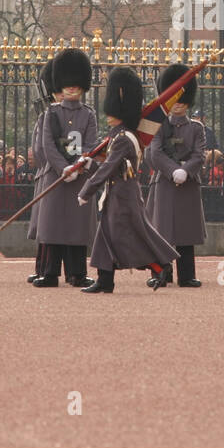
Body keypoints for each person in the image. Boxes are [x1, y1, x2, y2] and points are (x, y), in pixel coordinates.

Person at [77, 66, 178, 293]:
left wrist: (87, 191)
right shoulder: (117, 135)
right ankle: (105, 280)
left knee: (128, 237)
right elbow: (104, 160)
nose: (108, 114)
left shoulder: (123, 138)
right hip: (118, 194)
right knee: (106, 235)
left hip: (123, 195)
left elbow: (109, 169)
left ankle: (160, 265)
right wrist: (88, 161)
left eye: (112, 110)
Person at [33, 48, 100, 288]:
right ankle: (50, 273)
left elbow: (92, 144)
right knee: (53, 227)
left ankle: (77, 273)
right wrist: (63, 168)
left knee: (76, 226)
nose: (71, 88)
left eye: (75, 84)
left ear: (82, 86)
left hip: (79, 177)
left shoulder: (88, 115)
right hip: (56, 177)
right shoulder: (51, 113)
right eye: (67, 84)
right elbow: (47, 146)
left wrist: (79, 166)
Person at [144, 63, 208, 287]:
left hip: (187, 184)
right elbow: (155, 152)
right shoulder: (159, 125)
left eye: (182, 101)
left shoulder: (196, 128)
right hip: (164, 182)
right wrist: (173, 170)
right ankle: (161, 273)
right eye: (175, 100)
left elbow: (199, 155)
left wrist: (185, 170)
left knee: (185, 232)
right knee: (162, 231)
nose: (178, 105)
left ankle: (187, 274)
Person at [26, 59, 59, 282]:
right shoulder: (45, 117)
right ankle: (44, 268)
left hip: (65, 172)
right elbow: (39, 150)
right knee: (47, 228)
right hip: (48, 172)